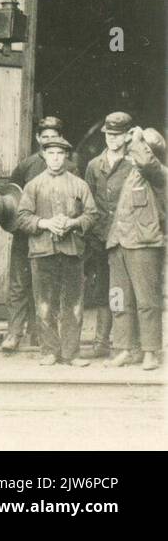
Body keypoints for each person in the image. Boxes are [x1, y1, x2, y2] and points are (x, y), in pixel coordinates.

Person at [15, 136, 98, 366]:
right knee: (44, 303)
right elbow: (22, 218)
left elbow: (92, 215)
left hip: (72, 251)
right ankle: (50, 351)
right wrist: (45, 223)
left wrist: (72, 223)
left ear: (66, 156)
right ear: (44, 155)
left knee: (73, 304)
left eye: (60, 154)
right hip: (42, 251)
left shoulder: (79, 185)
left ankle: (71, 353)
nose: (55, 158)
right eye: (51, 153)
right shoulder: (33, 186)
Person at [2, 116, 76, 352]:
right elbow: (11, 197)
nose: (50, 143)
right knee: (19, 285)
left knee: (48, 288)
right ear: (38, 139)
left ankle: (40, 336)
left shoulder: (72, 169)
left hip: (56, 239)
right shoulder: (26, 166)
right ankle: (14, 333)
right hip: (26, 236)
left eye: (54, 138)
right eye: (45, 138)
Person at [105, 126, 166, 371]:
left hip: (143, 245)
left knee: (146, 301)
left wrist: (139, 137)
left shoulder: (158, 174)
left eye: (140, 148)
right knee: (118, 300)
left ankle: (150, 352)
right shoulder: (129, 174)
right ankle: (124, 349)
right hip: (118, 244)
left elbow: (147, 162)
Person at [81, 112, 135, 358]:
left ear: (127, 136)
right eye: (109, 135)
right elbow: (87, 202)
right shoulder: (94, 165)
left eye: (118, 135)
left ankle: (128, 345)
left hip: (125, 237)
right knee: (103, 290)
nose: (112, 139)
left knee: (124, 292)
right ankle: (101, 343)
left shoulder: (134, 164)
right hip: (100, 238)